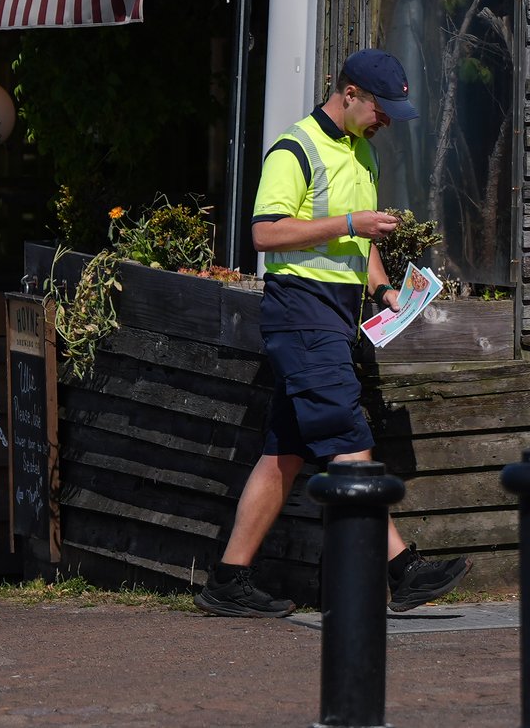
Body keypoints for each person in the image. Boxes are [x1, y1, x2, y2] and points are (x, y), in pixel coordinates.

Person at [194, 48, 473, 618]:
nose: (387, 121)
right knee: (348, 437)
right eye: (381, 108)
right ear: (350, 95)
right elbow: (265, 235)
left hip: (335, 313)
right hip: (300, 312)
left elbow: (360, 244)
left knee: (284, 453)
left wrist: (384, 291)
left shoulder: (362, 152)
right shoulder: (294, 149)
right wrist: (351, 223)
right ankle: (404, 569)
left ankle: (227, 581)